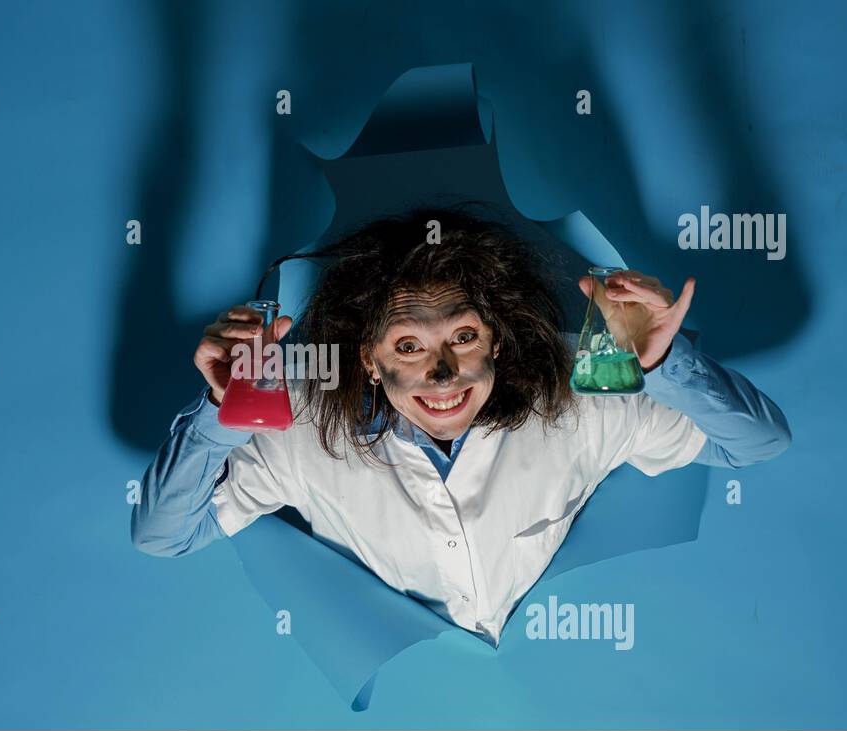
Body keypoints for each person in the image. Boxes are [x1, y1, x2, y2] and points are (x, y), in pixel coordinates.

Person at [130, 207, 791, 646]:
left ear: (498, 339)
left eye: (464, 336)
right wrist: (222, 410)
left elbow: (758, 443)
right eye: (409, 346)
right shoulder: (302, 426)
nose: (443, 375)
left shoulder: (584, 394)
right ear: (367, 355)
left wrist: (666, 365)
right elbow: (164, 535)